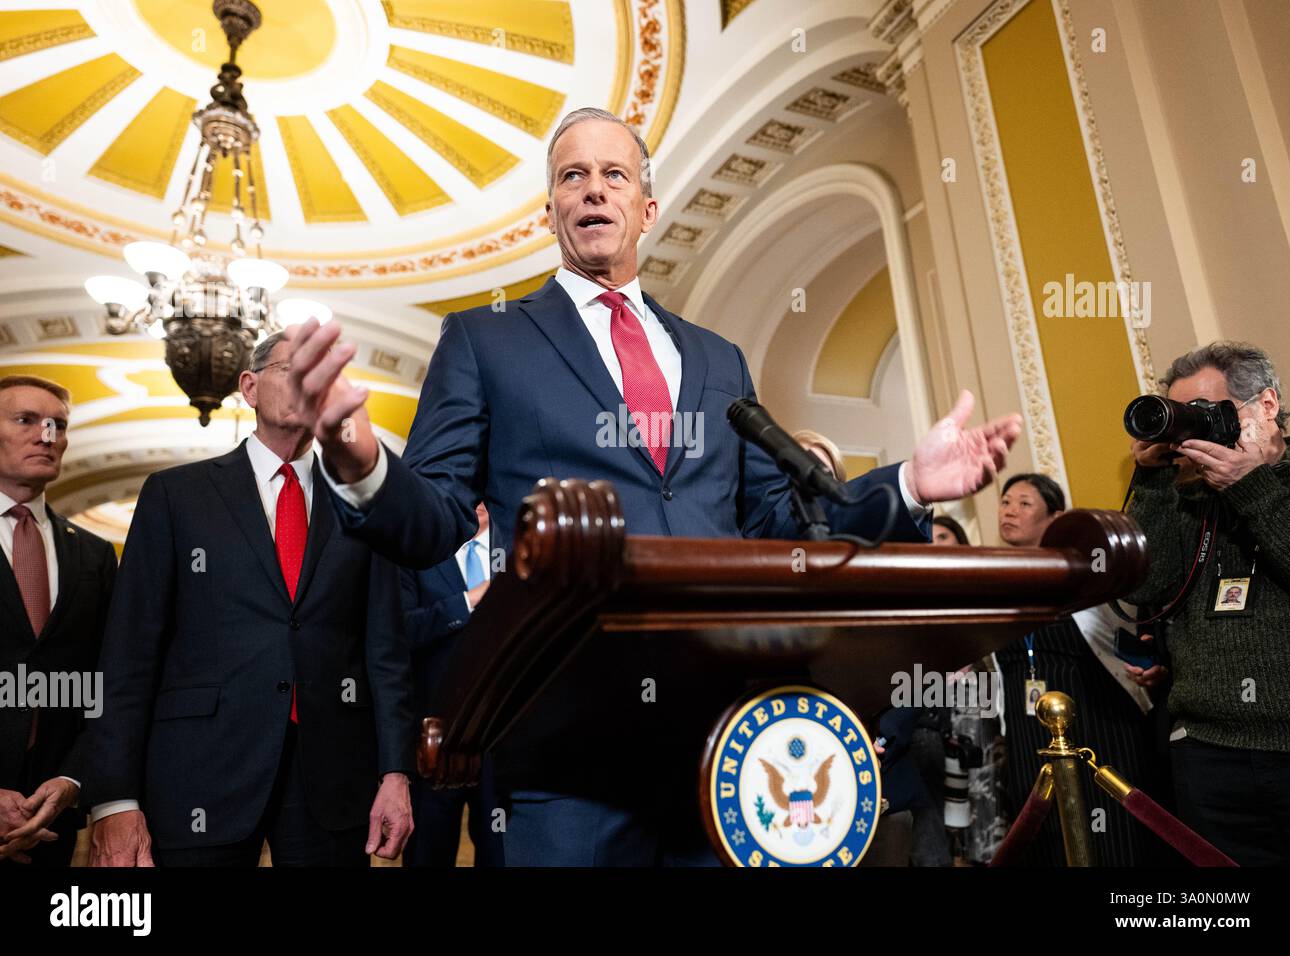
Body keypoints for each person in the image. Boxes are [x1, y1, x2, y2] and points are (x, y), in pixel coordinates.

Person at [283, 106, 1023, 865]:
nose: (592, 190)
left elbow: (778, 525)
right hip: (560, 743)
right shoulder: (484, 341)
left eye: (614, 175)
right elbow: (436, 519)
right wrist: (358, 456)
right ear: (551, 211)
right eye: (573, 176)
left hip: (722, 739)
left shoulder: (717, 360)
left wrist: (907, 482)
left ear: (647, 208)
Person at [85, 332, 415, 867]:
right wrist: (115, 800)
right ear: (249, 386)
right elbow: (128, 654)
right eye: (295, 371)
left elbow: (386, 650)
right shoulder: (175, 495)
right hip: (198, 773)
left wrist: (395, 773)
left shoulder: (361, 503)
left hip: (331, 780)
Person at [1126, 341, 1290, 865]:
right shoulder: (1190, 496)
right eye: (1182, 417)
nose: (1191, 430)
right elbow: (1144, 589)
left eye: (1204, 413)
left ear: (1266, 406)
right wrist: (1154, 480)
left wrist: (1253, 487)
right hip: (1205, 750)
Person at [993, 473, 1166, 866]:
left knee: (1112, 841)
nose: (1010, 511)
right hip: (1026, 738)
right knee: (1041, 841)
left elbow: (1132, 634)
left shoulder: (1089, 574)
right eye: (1005, 502)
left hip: (1098, 727)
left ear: (1055, 516)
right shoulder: (995, 582)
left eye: (1024, 503)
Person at [0, 376, 117, 866]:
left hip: (52, 819)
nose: (47, 436)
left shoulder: (93, 553)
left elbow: (107, 682)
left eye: (57, 426)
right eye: (26, 420)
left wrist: (71, 781)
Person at [401, 502, 504, 867]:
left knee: (501, 853)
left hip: (503, 738)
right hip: (433, 736)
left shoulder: (522, 549)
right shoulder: (416, 550)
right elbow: (400, 632)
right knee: (429, 851)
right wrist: (466, 602)